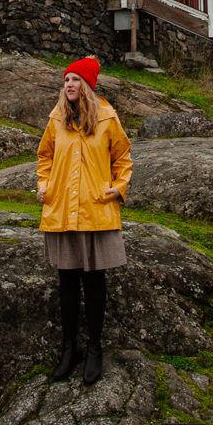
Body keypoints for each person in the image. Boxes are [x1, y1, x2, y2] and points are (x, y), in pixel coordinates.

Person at [36, 55, 132, 386]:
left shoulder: (107, 117)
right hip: (62, 210)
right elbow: (44, 156)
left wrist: (118, 187)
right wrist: (44, 184)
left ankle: (94, 348)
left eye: (75, 79)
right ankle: (69, 348)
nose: (69, 85)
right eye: (66, 80)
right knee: (66, 282)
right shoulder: (57, 118)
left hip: (96, 210)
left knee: (94, 283)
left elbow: (123, 157)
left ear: (88, 85)